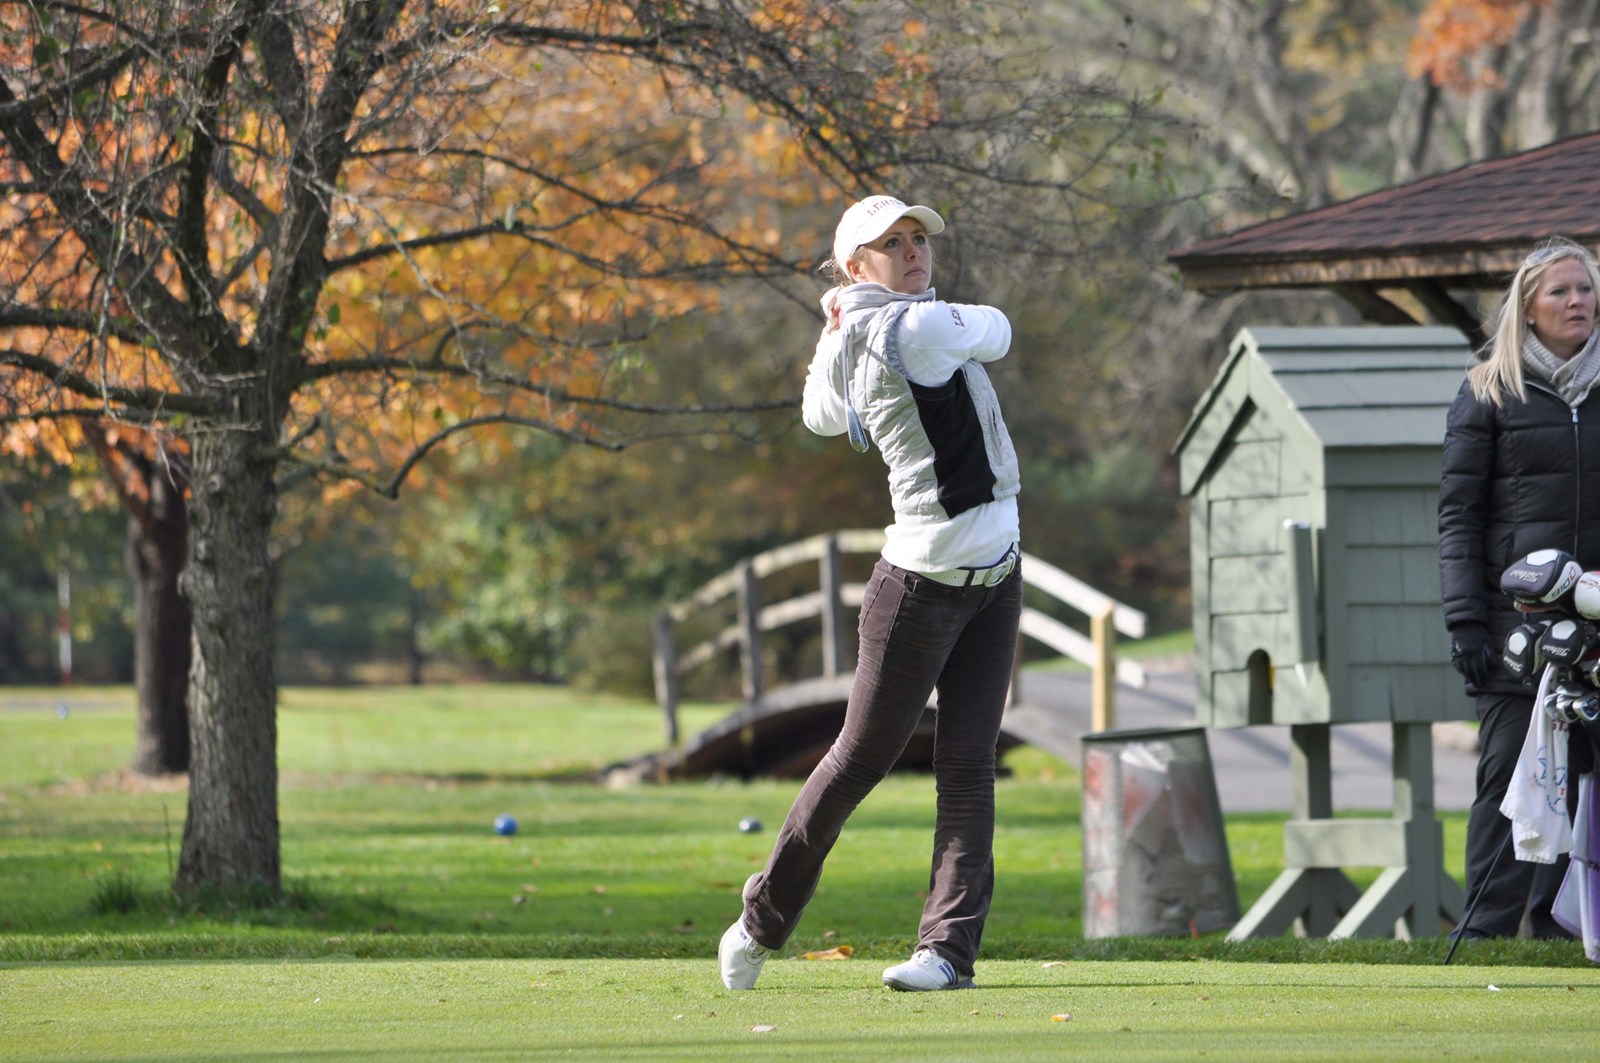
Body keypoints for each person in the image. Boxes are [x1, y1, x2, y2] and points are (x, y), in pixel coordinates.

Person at [718, 195, 1023, 991]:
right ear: (857, 266)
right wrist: (857, 318)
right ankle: (759, 922)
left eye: (918, 238)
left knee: (968, 765)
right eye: (891, 243)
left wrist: (837, 322)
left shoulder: (861, 331)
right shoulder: (918, 327)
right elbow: (999, 329)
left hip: (994, 575)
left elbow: (822, 414)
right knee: (857, 760)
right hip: (920, 589)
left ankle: (947, 953)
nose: (915, 252)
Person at [1438, 236, 1600, 939]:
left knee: (1591, 781)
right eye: (1561, 291)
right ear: (1528, 308)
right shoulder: (1486, 392)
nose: (1578, 301)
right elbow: (1458, 515)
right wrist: (1465, 621)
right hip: (1513, 632)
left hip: (1595, 624)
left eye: (1586, 289)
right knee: (1510, 773)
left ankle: (1566, 929)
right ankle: (1484, 933)